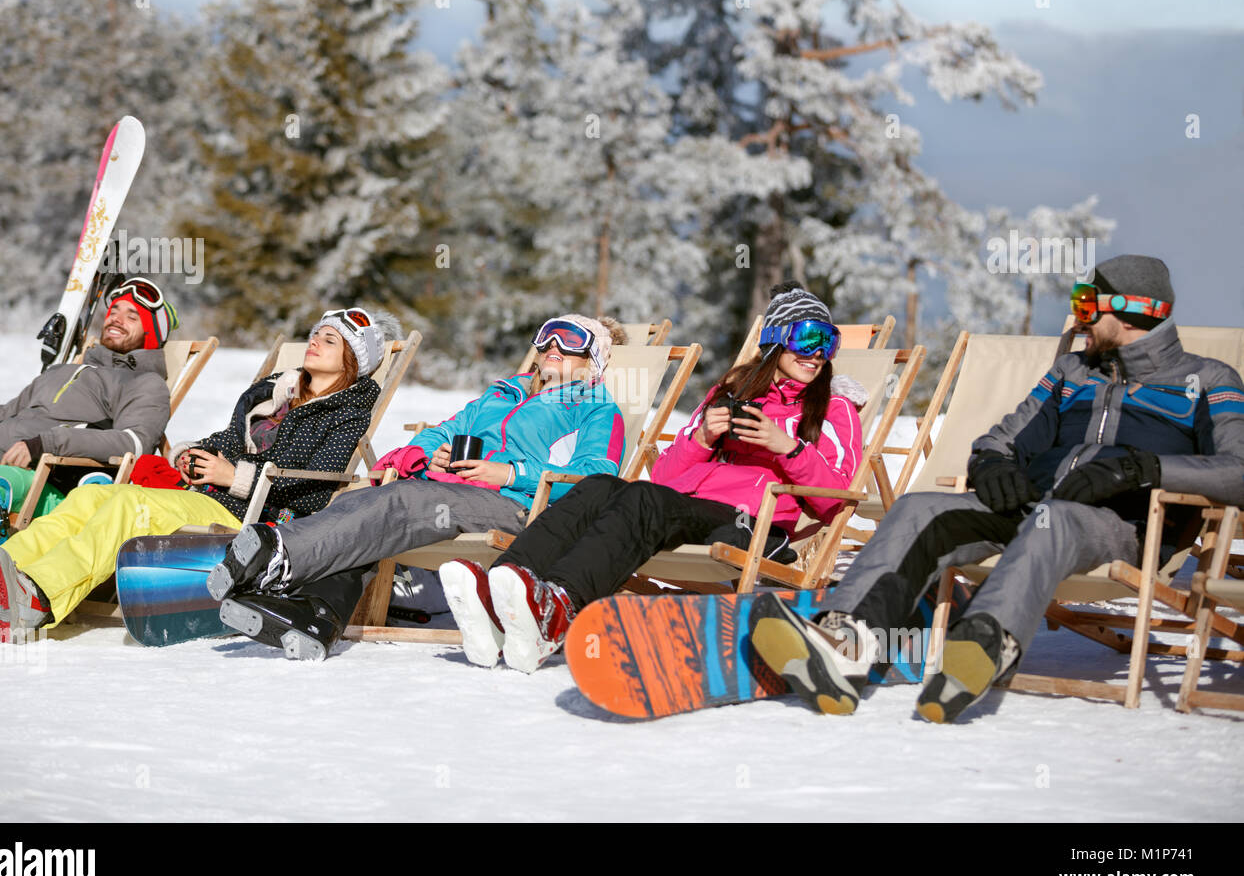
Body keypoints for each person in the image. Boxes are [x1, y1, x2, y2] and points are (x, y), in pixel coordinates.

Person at [748, 255, 1244, 723]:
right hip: (1032, 509)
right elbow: (1002, 437)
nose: (1078, 319)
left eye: (1087, 305)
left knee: (1057, 520)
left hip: (1124, 525)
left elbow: (1237, 471)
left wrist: (1143, 469)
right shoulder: (1073, 372)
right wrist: (990, 464)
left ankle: (983, 644)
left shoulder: (1206, 380)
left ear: (1133, 311)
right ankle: (843, 648)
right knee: (921, 508)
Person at [439, 283, 869, 673]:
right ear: (775, 342)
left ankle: (559, 609)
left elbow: (836, 499)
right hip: (684, 510)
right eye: (806, 338)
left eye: (826, 342)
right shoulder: (732, 394)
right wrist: (701, 437)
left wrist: (788, 448)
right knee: (596, 488)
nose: (817, 353)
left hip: (752, 525)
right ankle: (500, 594)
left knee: (643, 499)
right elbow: (664, 475)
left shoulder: (834, 410)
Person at [0, 307, 393, 641]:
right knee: (92, 498)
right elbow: (229, 439)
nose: (315, 341)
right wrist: (191, 453)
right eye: (317, 334)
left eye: (330, 340)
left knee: (131, 507)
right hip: (216, 494)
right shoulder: (276, 395)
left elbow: (314, 486)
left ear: (353, 360)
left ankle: (37, 594)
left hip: (254, 516)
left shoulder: (347, 411)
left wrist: (231, 475)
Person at [207, 314, 628, 662]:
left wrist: (511, 473)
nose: (553, 346)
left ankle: (278, 553)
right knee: (363, 502)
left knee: (404, 503)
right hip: (452, 491)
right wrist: (432, 454)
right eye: (546, 337)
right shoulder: (503, 393)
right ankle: (317, 615)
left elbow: (597, 479)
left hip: (520, 507)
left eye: (571, 341)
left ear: (592, 361)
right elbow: (442, 430)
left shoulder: (597, 409)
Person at [0, 277, 177, 543]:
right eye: (113, 311)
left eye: (131, 316)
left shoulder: (146, 383)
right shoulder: (62, 371)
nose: (115, 319)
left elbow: (134, 443)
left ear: (152, 333)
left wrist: (47, 443)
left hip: (40, 480)